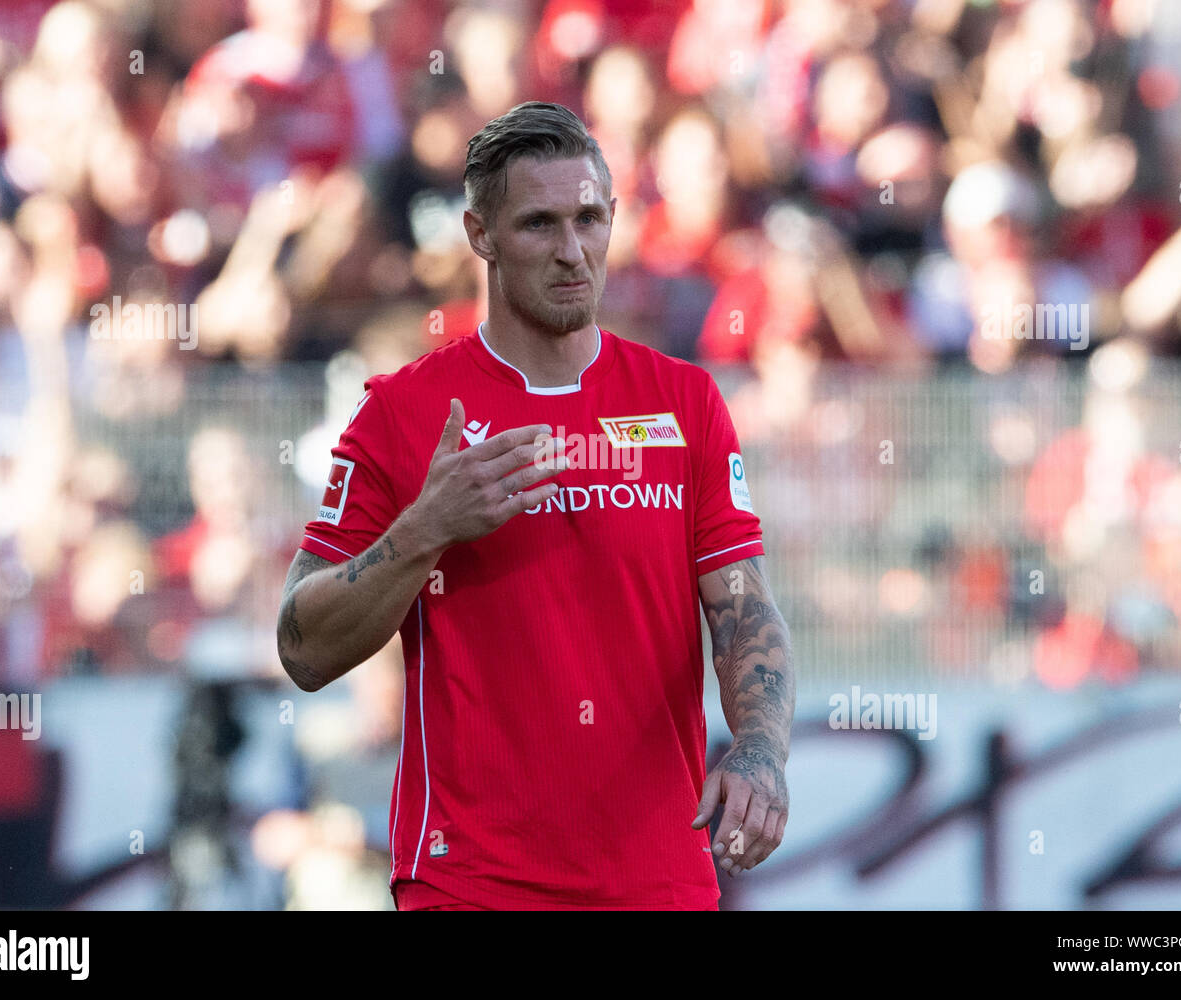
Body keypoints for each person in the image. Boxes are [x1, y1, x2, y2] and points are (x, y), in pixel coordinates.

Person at [276, 102, 795, 910]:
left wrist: (761, 749)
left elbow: (745, 610)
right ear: (480, 235)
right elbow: (303, 647)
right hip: (470, 883)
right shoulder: (404, 412)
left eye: (590, 219)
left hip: (657, 880)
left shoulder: (684, 402)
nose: (571, 252)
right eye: (538, 224)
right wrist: (426, 530)